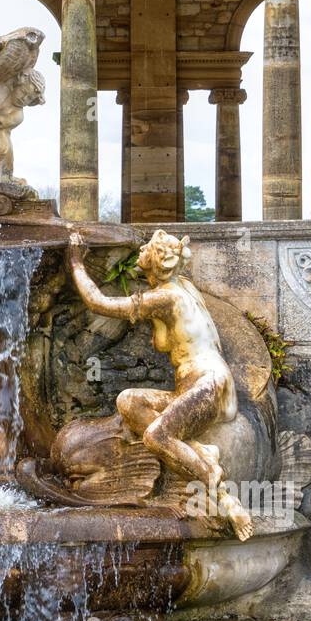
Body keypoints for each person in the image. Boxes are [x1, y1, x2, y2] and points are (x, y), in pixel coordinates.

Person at [65, 228, 254, 540]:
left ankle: (224, 496)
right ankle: (195, 451)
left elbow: (98, 303)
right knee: (129, 401)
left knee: (156, 435)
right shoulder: (182, 285)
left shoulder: (165, 297)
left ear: (153, 263)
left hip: (209, 383)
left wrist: (75, 263)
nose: (139, 258)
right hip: (192, 386)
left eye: (145, 254)